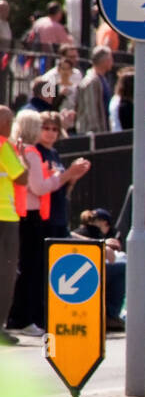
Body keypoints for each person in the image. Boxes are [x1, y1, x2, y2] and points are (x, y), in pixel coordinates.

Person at [8, 110, 90, 334]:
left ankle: (24, 317)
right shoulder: (31, 153)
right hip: (31, 215)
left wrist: (67, 178)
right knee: (31, 269)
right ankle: (24, 318)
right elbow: (39, 187)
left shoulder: (20, 149)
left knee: (28, 268)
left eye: (54, 129)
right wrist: (64, 176)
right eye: (44, 127)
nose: (49, 132)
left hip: (27, 213)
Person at [0, 107, 30, 343]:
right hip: (5, 217)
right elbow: (21, 177)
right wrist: (20, 156)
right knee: (6, 274)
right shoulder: (3, 145)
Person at [72, 208, 126, 330]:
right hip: (85, 272)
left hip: (75, 272)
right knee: (122, 268)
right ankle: (111, 315)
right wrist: (101, 244)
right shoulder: (95, 233)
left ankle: (108, 314)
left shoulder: (78, 231)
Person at [73, 46, 113, 136]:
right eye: (110, 58)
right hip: (92, 133)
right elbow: (91, 110)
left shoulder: (102, 78)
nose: (112, 62)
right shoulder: (91, 81)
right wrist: (97, 133)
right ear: (104, 60)